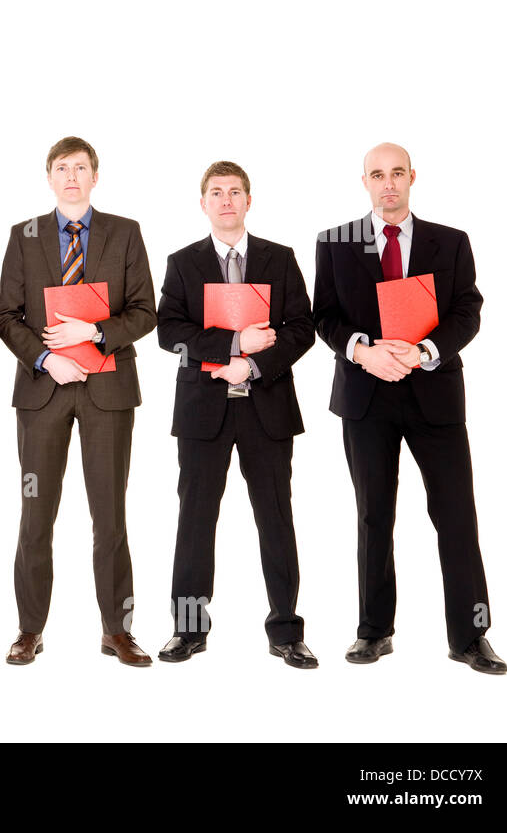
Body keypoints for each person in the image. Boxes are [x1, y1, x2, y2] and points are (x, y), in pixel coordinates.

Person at [313, 143, 506, 674]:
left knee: (456, 515)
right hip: (366, 394)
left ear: (412, 177)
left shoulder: (450, 241)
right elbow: (323, 315)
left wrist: (425, 352)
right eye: (378, 175)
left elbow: (469, 309)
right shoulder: (335, 242)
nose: (388, 183)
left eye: (397, 173)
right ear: (365, 182)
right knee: (374, 515)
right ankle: (374, 631)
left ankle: (471, 636)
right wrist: (363, 350)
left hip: (434, 392)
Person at [0, 136, 157, 666]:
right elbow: (5, 316)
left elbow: (145, 311)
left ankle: (118, 630)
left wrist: (96, 330)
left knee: (110, 515)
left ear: (95, 175)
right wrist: (45, 360)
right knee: (36, 514)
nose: (71, 176)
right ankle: (28, 628)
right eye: (62, 167)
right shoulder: (25, 235)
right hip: (45, 391)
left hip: (107, 389)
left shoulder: (125, 232)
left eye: (80, 167)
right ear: (49, 176)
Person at [155, 161, 318, 669]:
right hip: (203, 410)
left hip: (266, 408)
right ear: (202, 202)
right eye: (216, 192)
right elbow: (169, 332)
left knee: (275, 517)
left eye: (235, 192)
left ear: (249, 201)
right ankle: (188, 628)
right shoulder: (183, 262)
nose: (226, 200)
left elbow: (302, 328)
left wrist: (251, 364)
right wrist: (228, 348)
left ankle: (287, 631)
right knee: (195, 520)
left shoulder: (280, 257)